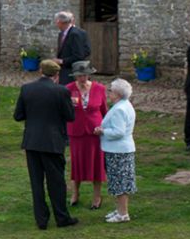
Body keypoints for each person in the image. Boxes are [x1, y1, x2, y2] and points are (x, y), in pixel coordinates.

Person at [13, 59, 78, 230]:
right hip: (52, 141)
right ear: (56, 75)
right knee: (56, 181)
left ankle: (41, 220)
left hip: (32, 141)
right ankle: (61, 217)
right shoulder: (61, 91)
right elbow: (70, 117)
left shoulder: (27, 89)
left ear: (40, 71)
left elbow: (18, 115)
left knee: (37, 182)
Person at [94, 78, 137, 224]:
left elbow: (119, 132)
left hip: (119, 151)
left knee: (120, 182)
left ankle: (123, 213)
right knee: (118, 181)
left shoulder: (119, 109)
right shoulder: (124, 105)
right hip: (121, 149)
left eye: (111, 90)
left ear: (117, 94)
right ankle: (119, 210)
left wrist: (103, 131)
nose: (108, 93)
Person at [66, 61, 107, 210]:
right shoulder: (68, 89)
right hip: (76, 132)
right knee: (77, 163)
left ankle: (97, 195)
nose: (82, 78)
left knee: (96, 163)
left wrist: (104, 127)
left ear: (89, 74)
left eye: (84, 75)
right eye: (79, 76)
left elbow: (104, 110)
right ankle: (75, 193)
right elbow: (65, 111)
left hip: (94, 131)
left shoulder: (99, 88)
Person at [54, 11, 90, 85]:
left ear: (60, 22)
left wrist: (62, 61)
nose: (56, 24)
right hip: (64, 70)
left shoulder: (75, 34)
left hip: (71, 71)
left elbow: (80, 55)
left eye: (56, 22)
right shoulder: (62, 34)